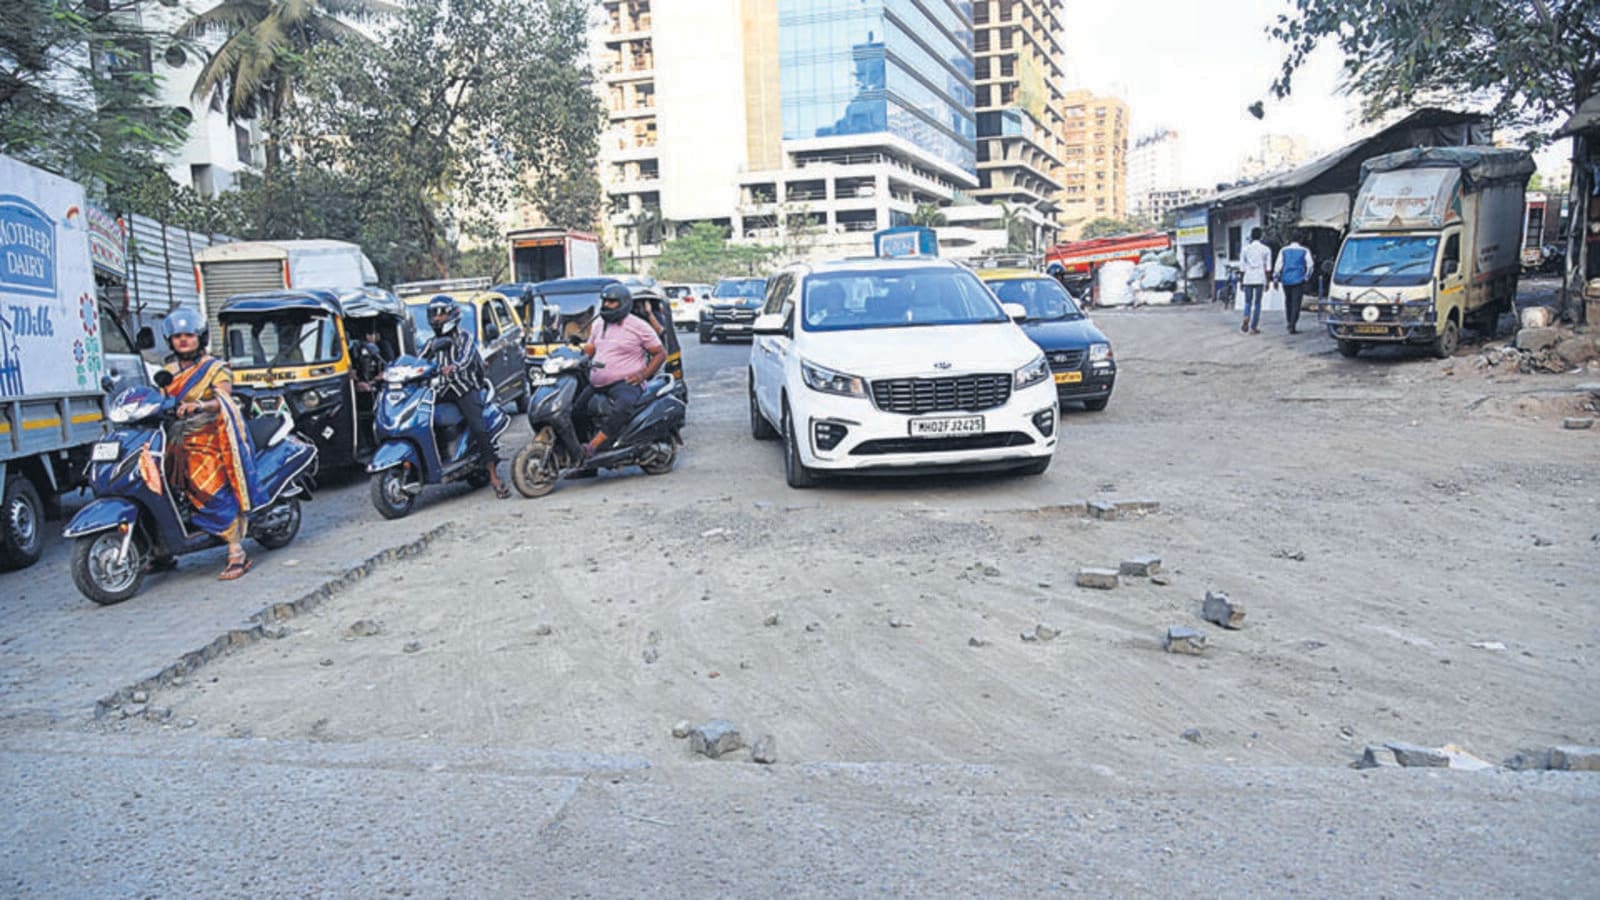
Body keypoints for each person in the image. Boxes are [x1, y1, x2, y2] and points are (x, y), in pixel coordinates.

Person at [159, 309, 266, 580]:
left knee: (209, 485)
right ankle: (161, 549)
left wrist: (200, 405)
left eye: (189, 335)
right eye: (178, 337)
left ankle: (236, 550)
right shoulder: (166, 372)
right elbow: (156, 399)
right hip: (175, 438)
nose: (183, 341)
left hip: (209, 436)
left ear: (200, 338)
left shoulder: (215, 368)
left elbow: (224, 399)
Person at [421, 295, 509, 498]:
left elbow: (466, 359)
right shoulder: (431, 343)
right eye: (434, 315)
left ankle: (493, 475)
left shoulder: (465, 338)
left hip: (464, 388)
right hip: (441, 391)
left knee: (478, 427)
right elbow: (419, 360)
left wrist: (453, 367)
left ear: (452, 315)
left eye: (442, 314)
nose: (437, 319)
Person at [580, 283, 665, 458]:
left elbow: (660, 353)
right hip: (597, 383)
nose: (606, 305)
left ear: (624, 303)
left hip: (625, 383)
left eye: (612, 302)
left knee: (622, 407)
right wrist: (574, 352)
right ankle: (580, 451)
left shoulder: (639, 326)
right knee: (576, 410)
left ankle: (594, 446)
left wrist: (643, 375)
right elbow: (591, 348)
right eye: (605, 301)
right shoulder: (599, 324)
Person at [1273, 232, 1315, 334]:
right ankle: (1293, 324)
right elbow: (1310, 265)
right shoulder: (1304, 250)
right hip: (1298, 279)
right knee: (1296, 303)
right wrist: (1306, 277)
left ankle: (1289, 321)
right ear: (1300, 240)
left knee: (1288, 301)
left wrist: (1275, 279)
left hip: (1286, 279)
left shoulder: (1283, 250)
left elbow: (1278, 265)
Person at [1239, 227, 1272, 334]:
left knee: (1248, 302)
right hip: (1260, 277)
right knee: (1257, 303)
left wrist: (1241, 281)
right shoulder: (1266, 249)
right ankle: (1253, 327)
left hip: (1248, 277)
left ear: (1251, 236)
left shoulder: (1245, 249)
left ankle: (1246, 316)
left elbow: (1242, 267)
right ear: (1261, 236)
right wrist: (1268, 281)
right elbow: (1268, 268)